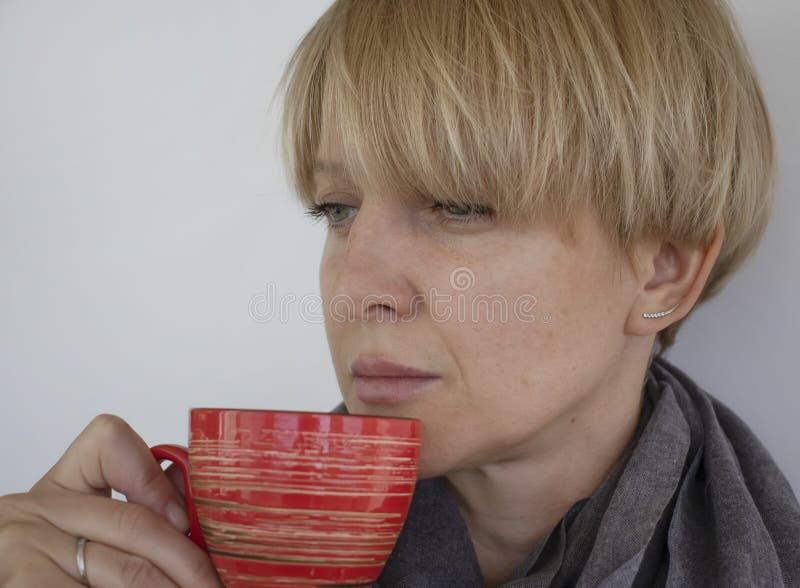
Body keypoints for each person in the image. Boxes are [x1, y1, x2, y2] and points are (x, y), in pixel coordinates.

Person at [1, 0, 798, 586]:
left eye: (458, 205)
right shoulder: (181, 555)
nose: (355, 288)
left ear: (663, 270)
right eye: (336, 209)